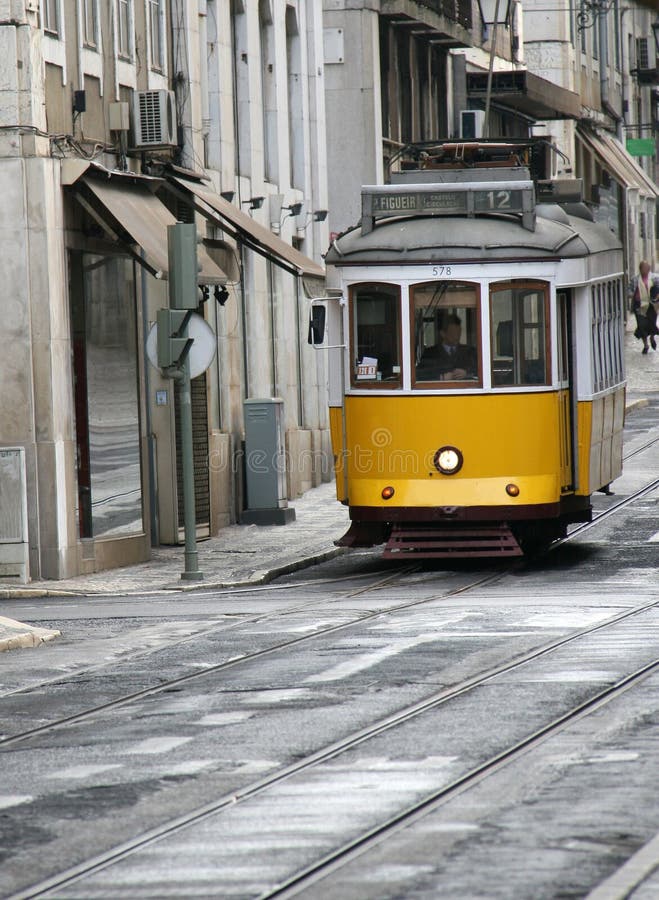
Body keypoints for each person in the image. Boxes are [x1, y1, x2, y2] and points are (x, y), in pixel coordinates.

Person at [417, 313, 478, 381]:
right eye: (453, 333)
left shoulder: (469, 351)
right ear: (443, 333)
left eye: (458, 332)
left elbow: (481, 371)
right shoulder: (430, 353)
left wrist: (467, 373)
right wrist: (441, 377)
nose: (456, 336)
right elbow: (419, 375)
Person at [630, 260, 659, 354]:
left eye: (647, 268)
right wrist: (631, 294)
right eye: (643, 268)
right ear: (640, 269)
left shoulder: (655, 278)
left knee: (651, 324)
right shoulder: (635, 279)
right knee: (641, 325)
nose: (645, 270)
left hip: (651, 305)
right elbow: (630, 291)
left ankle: (652, 337)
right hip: (639, 305)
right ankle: (645, 345)